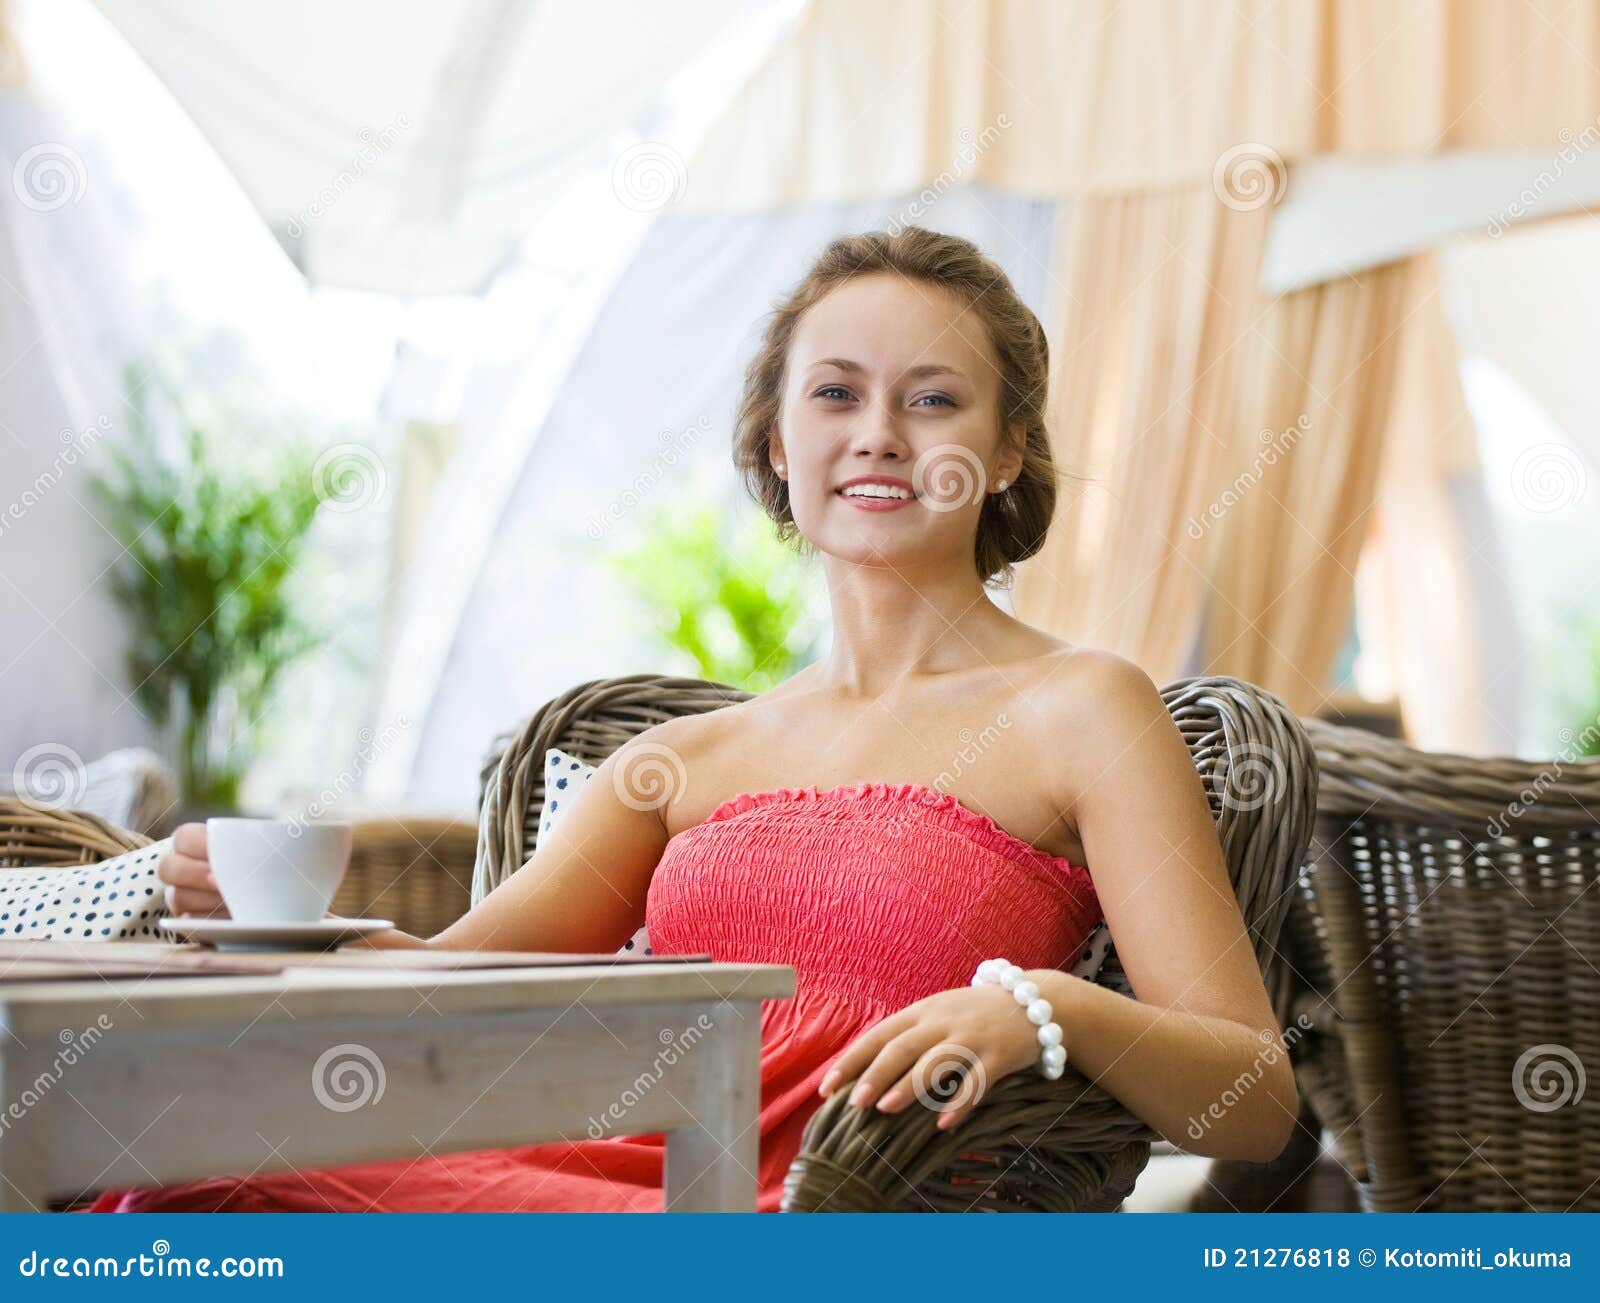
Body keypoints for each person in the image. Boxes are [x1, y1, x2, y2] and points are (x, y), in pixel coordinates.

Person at [92, 226, 1296, 1213]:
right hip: (584, 1161)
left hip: (803, 1205)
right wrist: (268, 919)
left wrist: (1043, 1008)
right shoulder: (677, 765)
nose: (879, 431)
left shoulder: (1082, 708)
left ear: (1003, 452)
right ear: (779, 440)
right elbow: (437, 990)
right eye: (836, 393)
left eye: (933, 399)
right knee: (187, 1176)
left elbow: (1251, 1096)